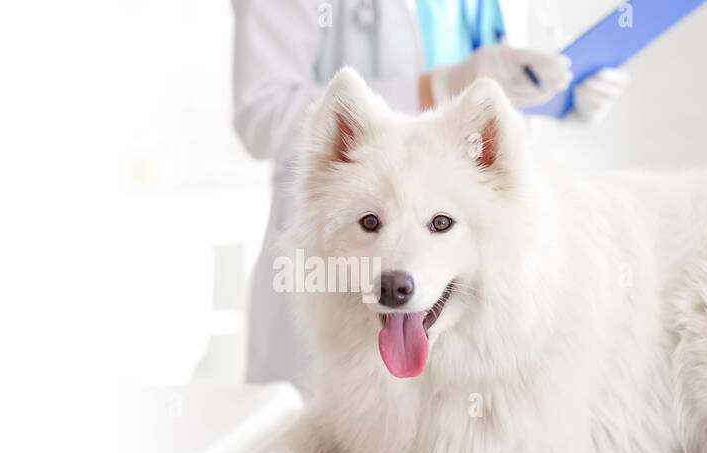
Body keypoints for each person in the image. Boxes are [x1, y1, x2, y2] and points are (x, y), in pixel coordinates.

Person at [232, 0, 629, 393]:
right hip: (340, 264)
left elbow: (485, 165)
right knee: (316, 433)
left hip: (453, 319)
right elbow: (262, 112)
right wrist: (437, 87)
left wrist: (546, 99)